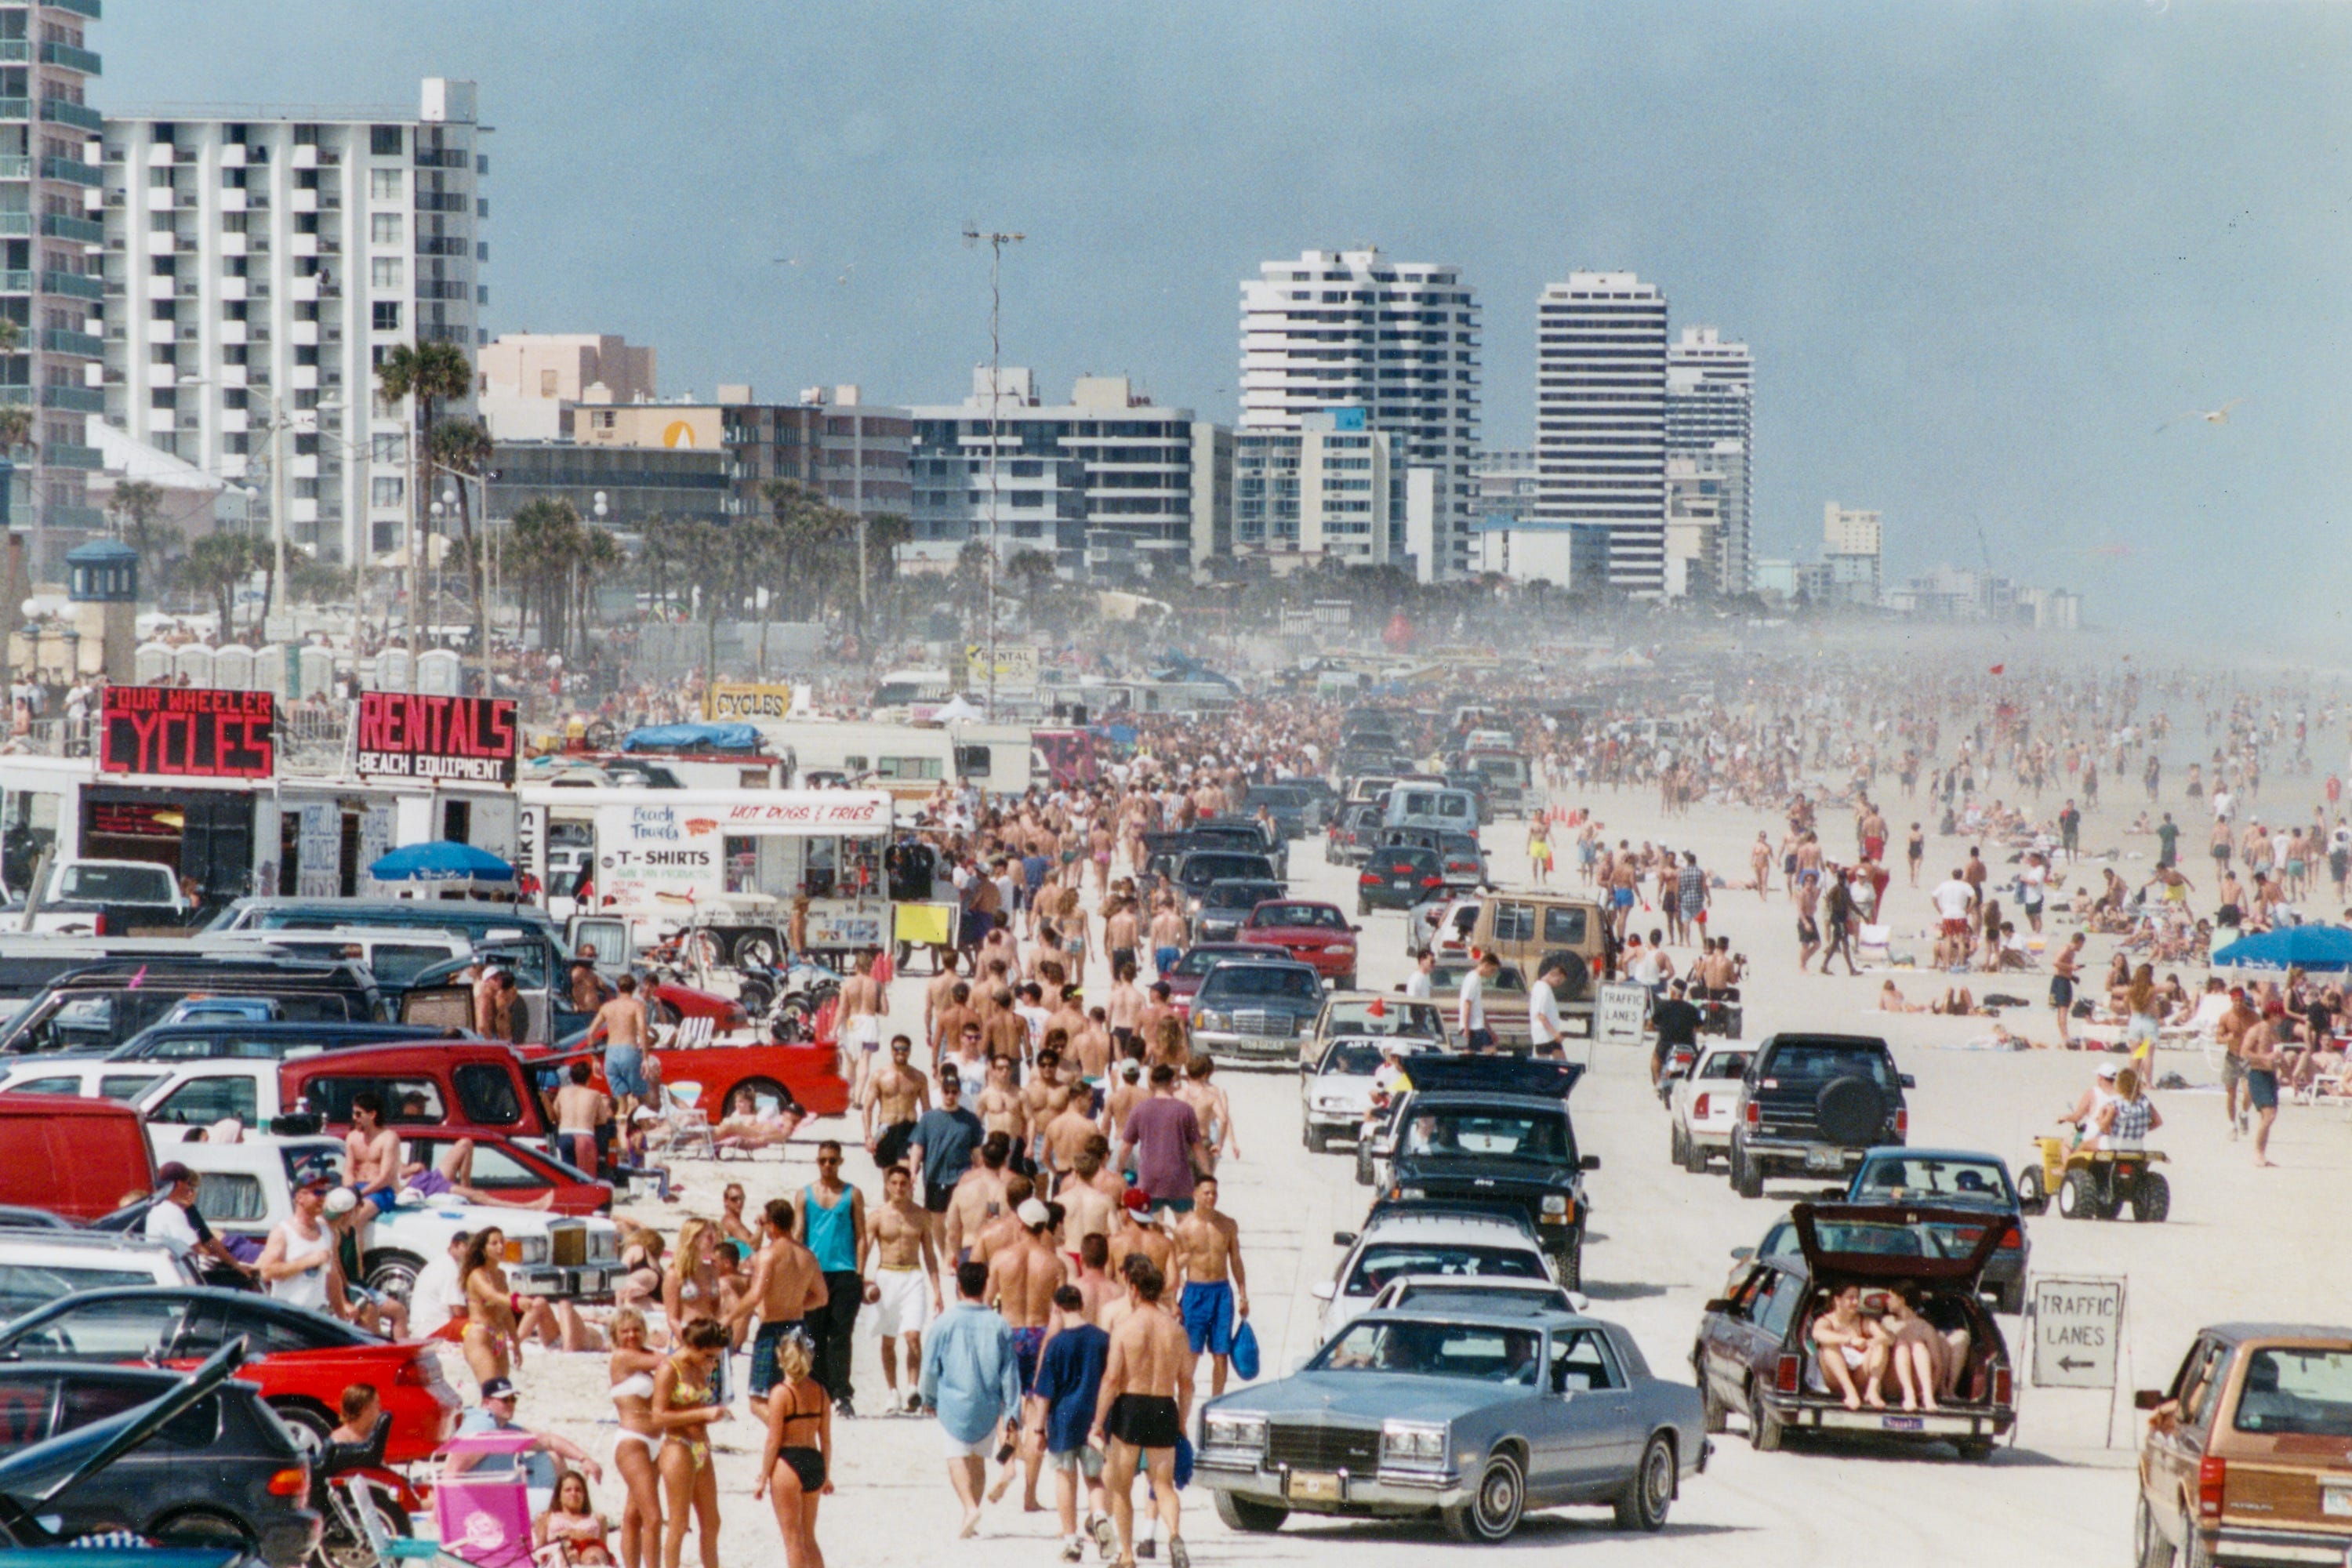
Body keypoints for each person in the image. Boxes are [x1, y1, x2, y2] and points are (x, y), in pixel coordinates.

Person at [1092, 1258, 1189, 1568]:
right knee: (1163, 1485)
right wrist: (1182, 1423)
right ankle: (1174, 1535)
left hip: (1131, 1406)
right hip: (1164, 1404)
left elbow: (1111, 1379)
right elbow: (1187, 1384)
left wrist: (1098, 1422)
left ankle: (1127, 1555)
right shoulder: (1176, 1331)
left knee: (1122, 1487)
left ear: (1133, 1289)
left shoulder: (1125, 1328)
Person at [921, 1259, 1024, 1541]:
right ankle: (973, 1515)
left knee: (956, 1456)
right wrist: (1012, 1410)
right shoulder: (1000, 1325)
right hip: (988, 1402)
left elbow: (929, 1368)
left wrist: (928, 1398)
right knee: (978, 1460)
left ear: (958, 1287)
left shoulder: (944, 1322)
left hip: (953, 1402)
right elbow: (1009, 1373)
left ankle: (969, 1508)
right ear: (985, 1286)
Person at [1028, 1283, 1113, 1563]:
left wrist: (1039, 1429)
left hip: (1063, 1419)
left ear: (1057, 1308)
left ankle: (1071, 1540)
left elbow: (1044, 1393)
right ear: (1081, 1306)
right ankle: (1099, 1516)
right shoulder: (1102, 1339)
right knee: (1094, 1478)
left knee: (1065, 1477)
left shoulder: (1056, 1344)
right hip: (1094, 1418)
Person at [861, 1163, 942, 1413]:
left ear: (910, 1186)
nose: (899, 1188)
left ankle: (912, 1388)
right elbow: (864, 1249)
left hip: (912, 1276)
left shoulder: (921, 1215)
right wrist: (860, 1279)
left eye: (903, 1183)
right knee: (888, 1339)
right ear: (888, 1186)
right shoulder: (878, 1216)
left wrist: (937, 1290)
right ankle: (893, 1392)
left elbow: (929, 1254)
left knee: (913, 1335)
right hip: (886, 1276)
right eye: (894, 1183)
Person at [651, 1320, 731, 1568]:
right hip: (678, 1445)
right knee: (679, 1524)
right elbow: (658, 1417)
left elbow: (695, 1407)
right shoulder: (669, 1369)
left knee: (712, 1522)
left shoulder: (699, 1366)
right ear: (693, 1346)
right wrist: (703, 1414)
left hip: (701, 1446)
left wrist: (712, 1413)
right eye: (708, 1355)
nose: (712, 1361)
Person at [727, 1202, 824, 1403]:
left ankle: (780, 1426)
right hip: (798, 1327)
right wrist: (796, 1304)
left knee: (759, 1399)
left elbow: (756, 1295)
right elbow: (821, 1297)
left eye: (762, 1223)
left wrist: (728, 1318)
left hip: (773, 1330)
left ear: (772, 1225)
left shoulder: (769, 1254)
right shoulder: (807, 1255)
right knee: (793, 1393)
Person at [794, 1142, 866, 1415]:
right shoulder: (804, 1195)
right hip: (814, 1273)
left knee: (840, 1334)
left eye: (832, 1161)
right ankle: (818, 1389)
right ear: (817, 1161)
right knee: (813, 1332)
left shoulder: (852, 1194)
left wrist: (860, 1273)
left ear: (840, 1162)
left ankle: (841, 1392)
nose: (827, 1165)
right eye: (823, 1160)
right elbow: (799, 1233)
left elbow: (861, 1235)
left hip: (844, 1271)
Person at [752, 1335, 832, 1568]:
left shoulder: (781, 1393)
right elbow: (826, 1440)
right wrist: (826, 1475)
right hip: (814, 1461)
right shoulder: (821, 1392)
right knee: (809, 1538)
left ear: (781, 1358)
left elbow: (773, 1441)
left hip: (788, 1463)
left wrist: (763, 1477)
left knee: (792, 1539)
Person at [1171, 1174, 1248, 1399]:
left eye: (1214, 1193)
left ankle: (1216, 1402)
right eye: (1206, 1193)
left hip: (1221, 1293)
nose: (1211, 1197)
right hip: (1195, 1293)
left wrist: (1243, 1294)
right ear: (1195, 1195)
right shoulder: (1184, 1228)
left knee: (1221, 1354)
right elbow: (1174, 1265)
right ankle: (1184, 1406)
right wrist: (1173, 1301)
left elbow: (1236, 1260)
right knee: (1190, 1355)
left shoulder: (1228, 1225)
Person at [459, 1377, 604, 1494]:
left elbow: (549, 1440)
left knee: (554, 1458)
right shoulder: (482, 1425)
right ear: (486, 1403)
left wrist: (584, 1459)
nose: (511, 1404)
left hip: (505, 1484)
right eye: (505, 1400)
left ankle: (562, 1510)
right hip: (485, 1493)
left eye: (513, 1399)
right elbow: (453, 1471)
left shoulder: (506, 1428)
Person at [608, 1308, 666, 1568]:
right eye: (625, 1331)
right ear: (616, 1335)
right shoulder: (622, 1357)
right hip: (632, 1441)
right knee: (653, 1517)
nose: (631, 1335)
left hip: (654, 1443)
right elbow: (667, 1361)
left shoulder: (644, 1357)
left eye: (636, 1330)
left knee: (633, 1515)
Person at [908, 1068, 985, 1254]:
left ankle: (956, 1254)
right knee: (936, 1220)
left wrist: (982, 1173)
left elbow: (976, 1152)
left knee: (958, 1220)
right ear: (941, 1092)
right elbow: (918, 1147)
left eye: (954, 1091)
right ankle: (946, 1255)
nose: (950, 1095)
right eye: (947, 1091)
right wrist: (912, 1171)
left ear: (959, 1093)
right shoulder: (928, 1118)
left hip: (962, 1177)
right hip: (935, 1176)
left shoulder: (970, 1120)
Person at [143, 1160, 255, 1286]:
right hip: (175, 1274)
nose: (191, 1192)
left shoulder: (186, 1211)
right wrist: (225, 1260)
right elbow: (198, 1247)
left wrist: (233, 1263)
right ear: (179, 1184)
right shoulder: (172, 1210)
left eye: (194, 1189)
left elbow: (207, 1239)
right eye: (189, 1186)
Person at [1118, 1065, 1200, 1214]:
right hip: (1178, 1177)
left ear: (1152, 1083)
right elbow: (1196, 1144)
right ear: (1172, 1082)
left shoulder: (1139, 1109)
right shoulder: (1186, 1110)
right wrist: (1206, 1172)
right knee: (1185, 1223)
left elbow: (1126, 1146)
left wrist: (1118, 1169)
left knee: (1150, 1223)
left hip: (1149, 1176)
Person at [258, 1174, 339, 1313]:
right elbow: (267, 1272)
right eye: (317, 1193)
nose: (322, 1198)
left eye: (324, 1193)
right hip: (289, 1314)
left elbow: (332, 1277)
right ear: (300, 1197)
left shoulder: (326, 1231)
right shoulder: (283, 1232)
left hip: (319, 1312)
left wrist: (342, 1315)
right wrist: (308, 1261)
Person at [460, 1227, 524, 1386]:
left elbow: (506, 1312)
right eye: (494, 1243)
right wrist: (516, 1301)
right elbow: (491, 1296)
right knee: (492, 1390)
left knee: (502, 1389)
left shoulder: (501, 1275)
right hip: (480, 1334)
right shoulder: (477, 1275)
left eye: (502, 1242)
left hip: (499, 1336)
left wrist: (516, 1342)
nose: (500, 1247)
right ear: (483, 1249)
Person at [1809, 1283, 1888, 1412]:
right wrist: (1850, 1340)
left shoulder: (1864, 1321)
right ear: (1837, 1300)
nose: (1856, 1302)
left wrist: (1872, 1341)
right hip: (1836, 1379)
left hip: (1861, 1375)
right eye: (1851, 1298)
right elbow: (1817, 1333)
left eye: (1857, 1298)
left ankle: (1872, 1391)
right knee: (1829, 1346)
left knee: (1880, 1345)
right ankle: (1850, 1392)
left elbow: (1887, 1338)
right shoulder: (1826, 1321)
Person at [588, 975, 652, 1120]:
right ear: (634, 989)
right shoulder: (637, 1005)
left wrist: (595, 1059)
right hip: (629, 1050)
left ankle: (621, 1131)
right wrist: (645, 1058)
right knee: (642, 1100)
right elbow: (642, 1029)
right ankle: (646, 1132)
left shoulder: (607, 1007)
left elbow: (591, 1033)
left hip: (611, 1054)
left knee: (621, 1105)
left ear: (617, 988)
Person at [535, 1470, 615, 1567]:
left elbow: (604, 1549)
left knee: (594, 1555)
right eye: (568, 1490)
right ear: (559, 1495)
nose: (573, 1493)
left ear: (584, 1495)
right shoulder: (546, 1517)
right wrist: (563, 1536)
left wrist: (584, 1538)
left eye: (578, 1490)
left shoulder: (599, 1519)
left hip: (591, 1555)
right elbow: (539, 1551)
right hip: (559, 1556)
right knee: (563, 1553)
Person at [554, 1062, 615, 1176]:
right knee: (585, 1177)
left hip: (565, 1134)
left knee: (567, 1175)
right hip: (584, 1135)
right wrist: (590, 1120)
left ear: (571, 1077)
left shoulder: (563, 1092)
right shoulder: (594, 1094)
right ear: (588, 1077)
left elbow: (556, 1113)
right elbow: (603, 1119)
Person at [1649, 980, 1702, 1087]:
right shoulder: (1692, 1009)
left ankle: (1658, 1083)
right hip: (1688, 1045)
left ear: (1673, 992)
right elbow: (1699, 1027)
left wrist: (1654, 1029)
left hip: (1666, 1045)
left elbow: (1650, 1025)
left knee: (1656, 1059)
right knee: (1697, 1063)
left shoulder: (1663, 1006)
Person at [1459, 950, 1498, 1052]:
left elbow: (1479, 1010)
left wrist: (1490, 1031)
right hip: (1473, 1029)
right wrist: (1466, 1030)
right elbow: (1467, 1003)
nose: (1492, 974)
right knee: (1491, 1051)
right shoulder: (1473, 978)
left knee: (1471, 1056)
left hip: (1477, 1027)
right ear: (1486, 965)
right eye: (1492, 970)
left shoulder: (1477, 979)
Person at [328, 1382, 383, 1448]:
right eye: (377, 1403)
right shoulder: (340, 1440)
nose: (380, 1407)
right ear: (364, 1408)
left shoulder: (374, 1436)